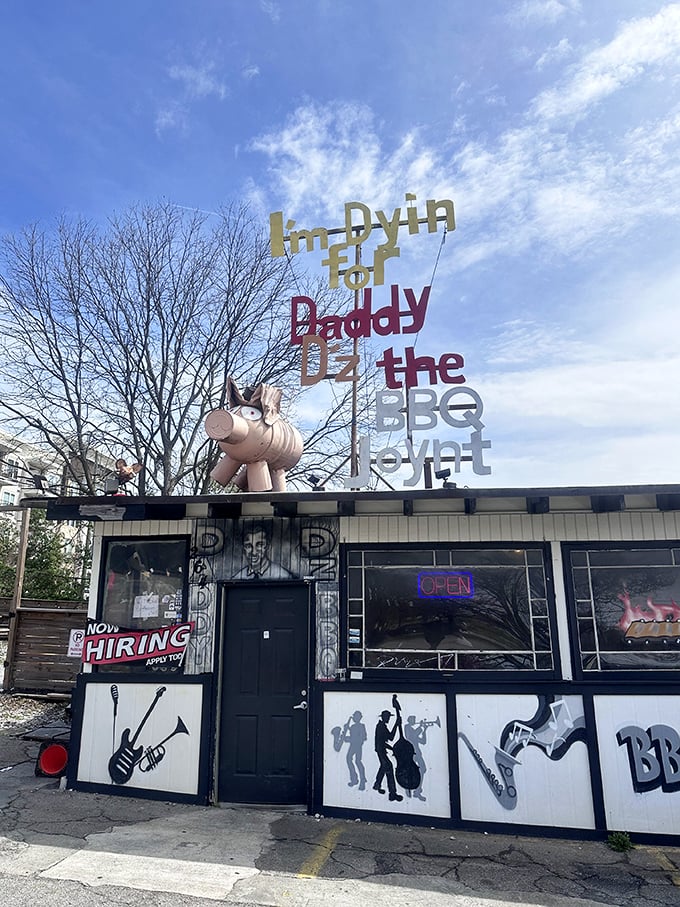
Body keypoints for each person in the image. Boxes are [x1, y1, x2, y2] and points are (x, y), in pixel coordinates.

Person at [231, 523, 297, 579]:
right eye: (248, 546)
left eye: (259, 545)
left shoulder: (283, 575)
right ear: (243, 549)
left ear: (268, 547)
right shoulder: (237, 577)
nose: (254, 552)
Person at [373, 709, 403, 802]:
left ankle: (377, 785)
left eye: (389, 717)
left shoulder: (381, 726)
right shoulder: (381, 726)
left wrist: (392, 748)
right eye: (387, 717)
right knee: (389, 767)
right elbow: (391, 737)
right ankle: (392, 794)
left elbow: (383, 741)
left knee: (383, 767)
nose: (388, 719)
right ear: (383, 717)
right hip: (381, 751)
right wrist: (396, 724)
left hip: (381, 750)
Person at [345, 711, 367, 790]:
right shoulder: (353, 726)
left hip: (357, 746)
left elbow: (363, 737)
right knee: (349, 759)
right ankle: (354, 779)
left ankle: (362, 780)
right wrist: (347, 729)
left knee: (358, 761)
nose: (354, 718)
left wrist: (349, 739)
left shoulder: (361, 726)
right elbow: (352, 736)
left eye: (355, 717)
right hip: (353, 745)